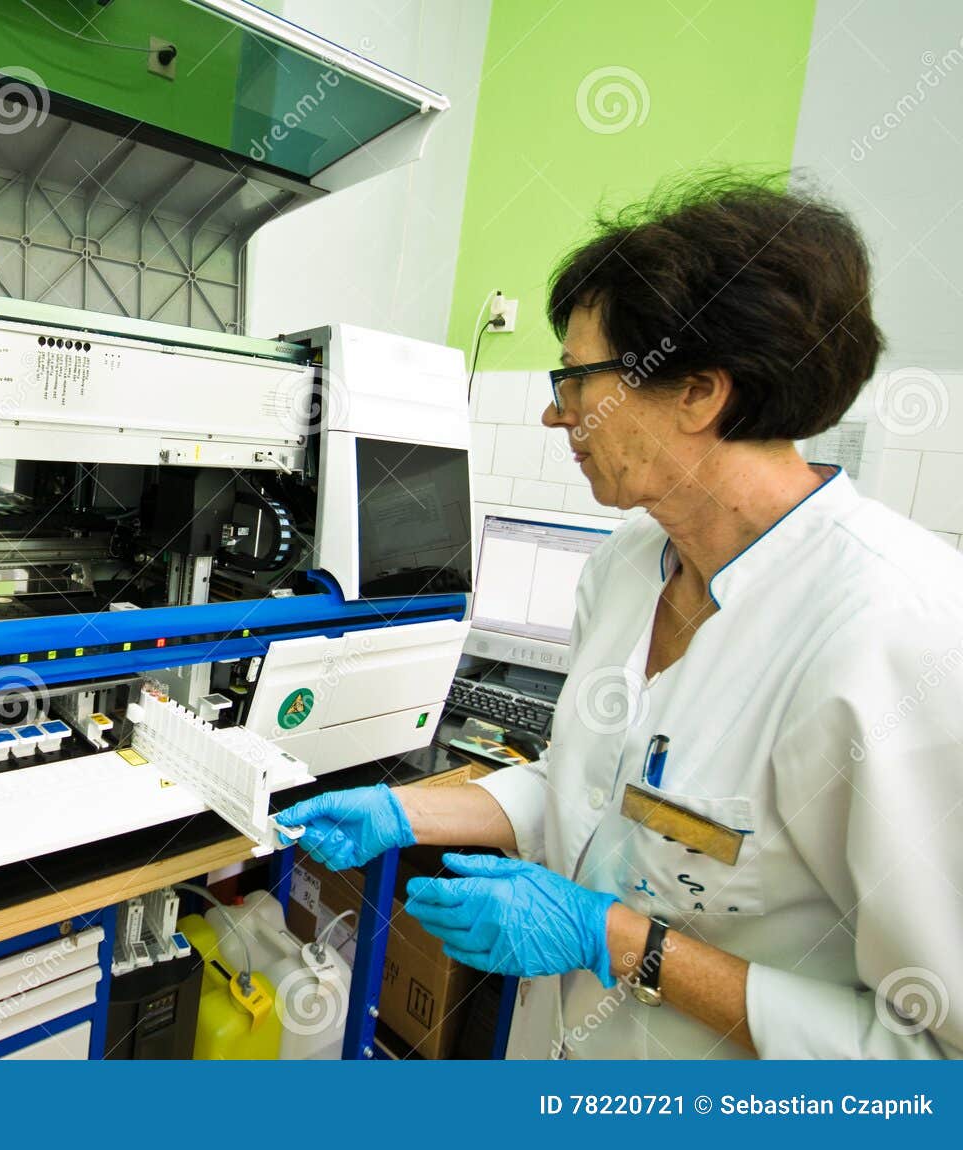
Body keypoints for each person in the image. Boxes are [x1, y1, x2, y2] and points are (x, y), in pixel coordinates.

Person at [279, 175, 963, 1059]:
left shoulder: (903, 634)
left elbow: (934, 1049)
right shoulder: (628, 565)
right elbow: (594, 791)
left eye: (574, 378)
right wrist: (405, 813)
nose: (553, 411)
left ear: (698, 393)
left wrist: (618, 941)